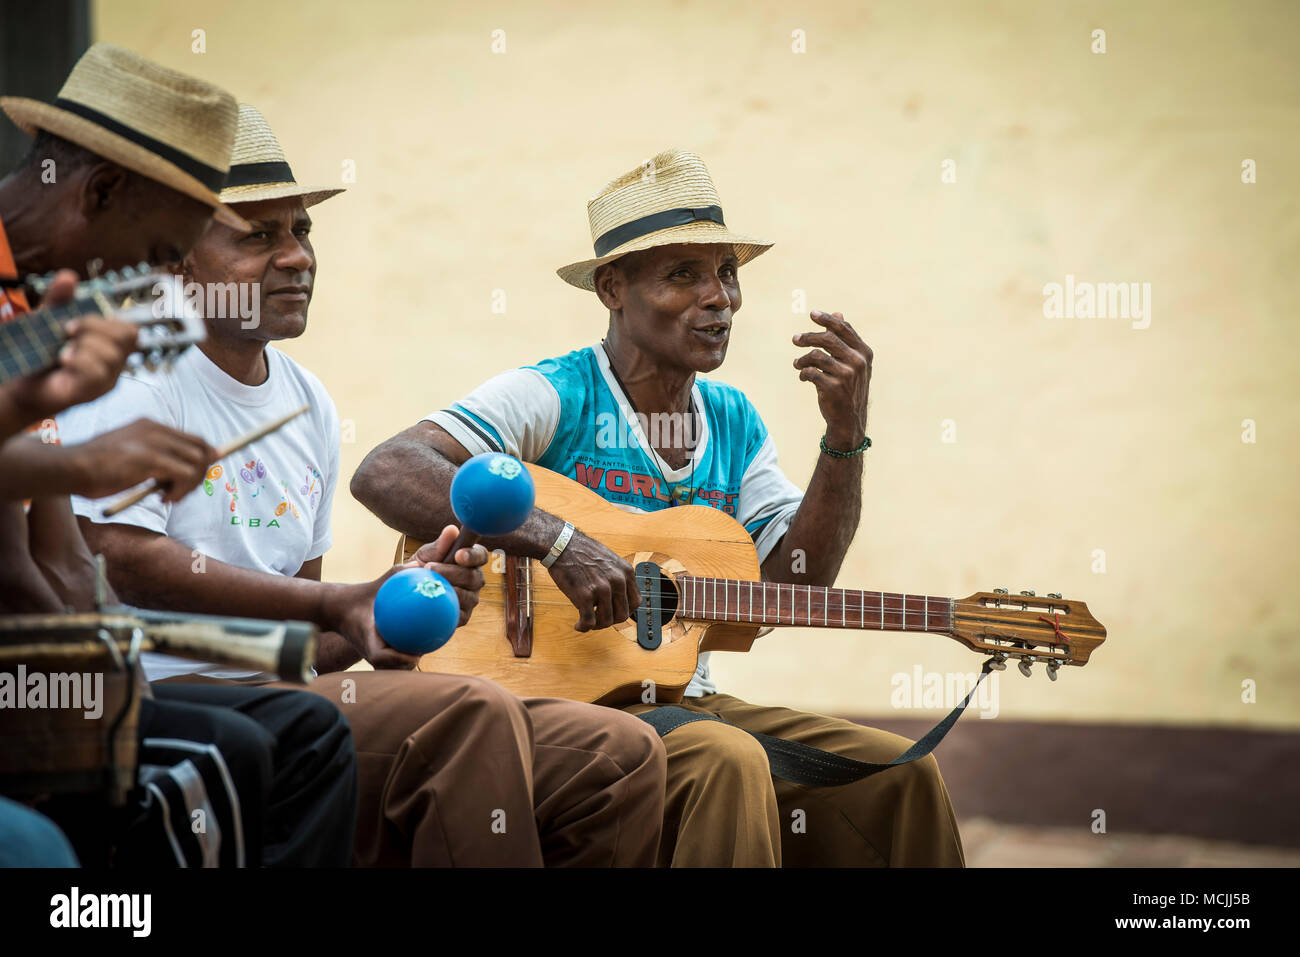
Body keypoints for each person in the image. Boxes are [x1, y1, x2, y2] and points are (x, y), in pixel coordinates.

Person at [61, 105, 666, 867]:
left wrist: (381, 611)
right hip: (165, 697)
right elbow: (115, 556)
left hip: (285, 698)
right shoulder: (139, 370)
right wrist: (337, 600)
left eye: (301, 231)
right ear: (179, 261)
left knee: (619, 750)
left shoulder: (308, 400)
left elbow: (301, 650)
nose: (295, 257)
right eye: (258, 236)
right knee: (467, 711)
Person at [352, 148, 966, 867]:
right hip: (550, 703)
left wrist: (843, 437)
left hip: (683, 703)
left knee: (902, 774)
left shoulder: (735, 422)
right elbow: (387, 470)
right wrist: (556, 542)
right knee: (727, 760)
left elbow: (790, 590)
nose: (720, 299)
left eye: (727, 275)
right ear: (613, 287)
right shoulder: (552, 395)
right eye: (684, 275)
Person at [0, 44, 358, 867]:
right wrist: (82, 466)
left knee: (291, 734)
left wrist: (91, 669)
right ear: (97, 192)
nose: (158, 280)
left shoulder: (31, 306)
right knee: (208, 763)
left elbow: (40, 553)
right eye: (159, 251)